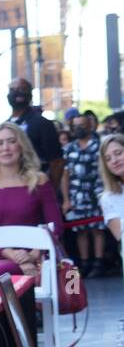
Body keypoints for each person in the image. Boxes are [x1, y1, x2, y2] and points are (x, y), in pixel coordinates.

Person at [0, 123, 63, 279]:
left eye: (11, 141)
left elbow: (55, 226)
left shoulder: (39, 181)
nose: (5, 148)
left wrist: (33, 256)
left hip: (39, 255)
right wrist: (19, 259)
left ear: (21, 146)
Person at [61, 112, 107, 277]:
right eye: (76, 125)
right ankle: (85, 262)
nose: (79, 128)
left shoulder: (99, 145)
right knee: (80, 230)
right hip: (77, 194)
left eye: (82, 124)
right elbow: (65, 176)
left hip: (97, 192)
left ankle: (99, 262)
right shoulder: (68, 148)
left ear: (90, 125)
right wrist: (66, 199)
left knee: (98, 229)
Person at [6, 78, 63, 190]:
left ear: (30, 94)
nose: (18, 92)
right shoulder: (4, 126)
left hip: (35, 186)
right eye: (13, 89)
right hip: (9, 187)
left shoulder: (43, 123)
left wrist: (50, 190)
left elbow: (56, 161)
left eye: (22, 89)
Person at [99, 134, 124, 245]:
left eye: (118, 153)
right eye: (108, 159)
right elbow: (120, 235)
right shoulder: (108, 198)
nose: (114, 161)